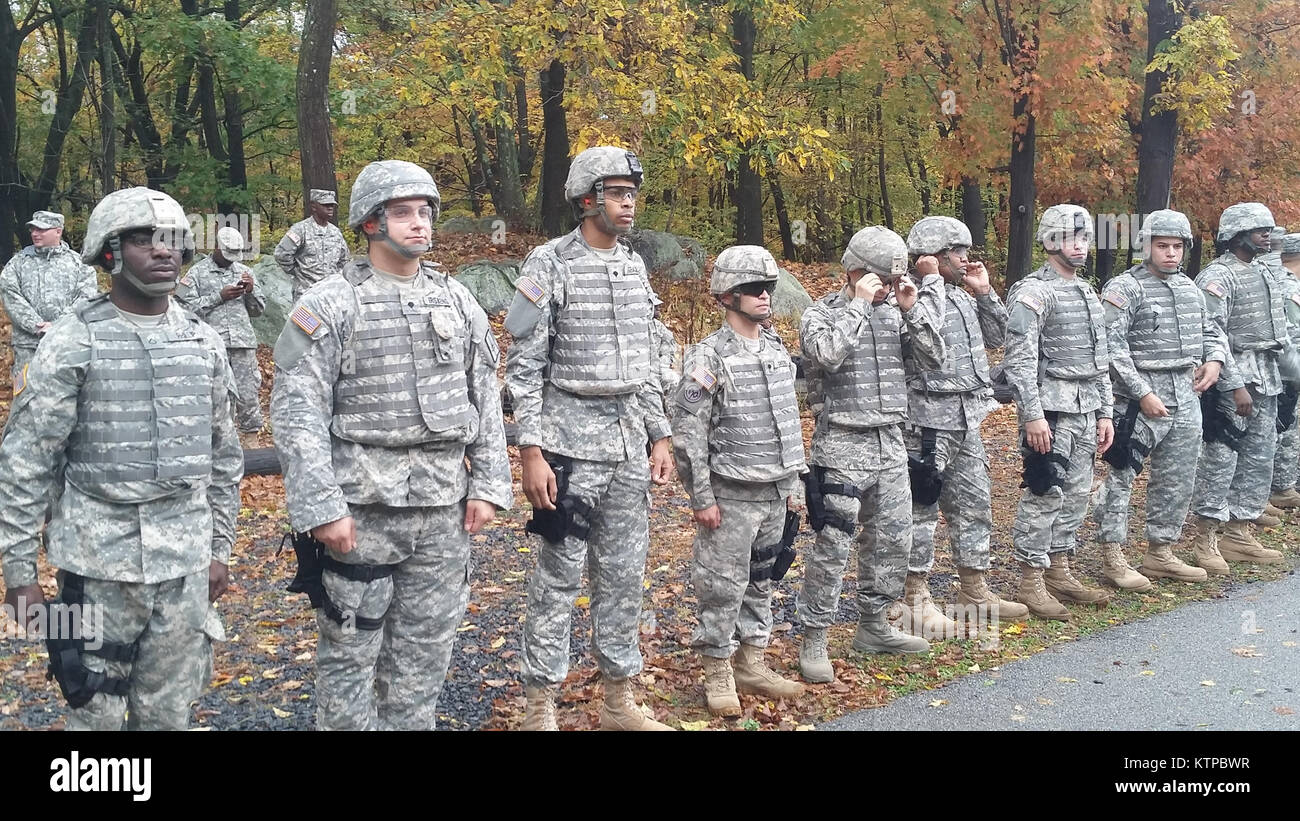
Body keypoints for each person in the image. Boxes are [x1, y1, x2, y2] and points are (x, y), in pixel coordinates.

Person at [271, 160, 512, 730]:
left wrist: (489, 486)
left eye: (426, 212)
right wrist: (322, 508)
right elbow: (296, 411)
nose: (420, 224)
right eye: (403, 213)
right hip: (362, 511)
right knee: (350, 655)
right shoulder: (330, 303)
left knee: (424, 653)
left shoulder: (457, 299)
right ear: (370, 224)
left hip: (442, 509)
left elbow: (486, 394)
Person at [0, 187, 243, 729]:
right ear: (109, 253)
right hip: (96, 568)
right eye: (143, 240)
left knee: (168, 715)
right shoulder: (71, 341)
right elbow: (26, 462)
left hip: (185, 570)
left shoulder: (203, 342)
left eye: (174, 242)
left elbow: (224, 459)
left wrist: (219, 549)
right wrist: (19, 573)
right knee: (96, 717)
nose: (163, 252)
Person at [505, 145, 674, 731]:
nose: (629, 204)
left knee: (625, 575)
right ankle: (539, 702)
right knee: (558, 575)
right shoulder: (547, 263)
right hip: (568, 448)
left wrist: (660, 435)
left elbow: (648, 363)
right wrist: (530, 450)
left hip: (629, 443)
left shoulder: (634, 266)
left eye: (633, 193)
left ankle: (619, 697)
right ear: (586, 199)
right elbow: (524, 366)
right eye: (617, 193)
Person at [796, 225, 943, 684]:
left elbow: (935, 359)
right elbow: (827, 356)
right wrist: (860, 304)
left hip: (890, 441)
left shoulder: (895, 313)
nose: (887, 288)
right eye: (881, 279)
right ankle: (814, 637)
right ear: (857, 272)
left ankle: (874, 626)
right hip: (842, 442)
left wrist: (912, 309)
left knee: (892, 541)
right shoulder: (822, 314)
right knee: (833, 545)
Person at [672, 245, 807, 715]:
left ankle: (753, 661)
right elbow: (689, 434)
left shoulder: (774, 348)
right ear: (727, 297)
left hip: (774, 489)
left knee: (763, 577)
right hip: (730, 494)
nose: (764, 295)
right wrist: (701, 497)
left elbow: (788, 419)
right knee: (722, 584)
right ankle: (717, 669)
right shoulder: (707, 357)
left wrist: (794, 485)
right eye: (753, 288)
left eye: (768, 287)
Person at [899, 215, 1027, 631]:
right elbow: (924, 342)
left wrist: (986, 292)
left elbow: (1001, 336)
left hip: (967, 417)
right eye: (957, 252)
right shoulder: (908, 295)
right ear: (931, 258)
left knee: (974, 503)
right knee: (923, 508)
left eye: (965, 251)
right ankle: (915, 595)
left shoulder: (960, 295)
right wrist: (930, 282)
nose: (965, 259)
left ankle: (975, 586)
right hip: (928, 420)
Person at [1091, 209, 1223, 586]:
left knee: (1178, 475)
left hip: (1185, 392)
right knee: (1121, 474)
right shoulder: (1123, 289)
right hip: (1137, 400)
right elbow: (1111, 348)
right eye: (1162, 245)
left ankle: (1161, 551)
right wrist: (1142, 392)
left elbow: (1213, 330)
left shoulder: (1190, 289)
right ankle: (1112, 553)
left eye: (1177, 246)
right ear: (1145, 246)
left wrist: (1213, 360)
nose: (1170, 253)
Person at [1003, 204, 1114, 620]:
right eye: (1071, 238)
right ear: (1049, 242)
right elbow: (1019, 360)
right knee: (1044, 491)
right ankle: (1031, 579)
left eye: (1085, 238)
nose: (1080, 246)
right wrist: (1031, 415)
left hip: (1086, 409)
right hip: (1050, 410)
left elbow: (1099, 358)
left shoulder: (1087, 292)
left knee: (1076, 496)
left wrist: (1104, 412)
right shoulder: (1033, 292)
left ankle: (1060, 569)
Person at [1188, 203, 1289, 567]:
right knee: (1222, 457)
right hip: (1233, 378)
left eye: (1269, 228)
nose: (1267, 234)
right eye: (1259, 229)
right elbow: (1210, 333)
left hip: (1266, 373)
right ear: (1236, 234)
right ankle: (1206, 537)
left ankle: (1239, 530)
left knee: (1260, 455)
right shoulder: (1217, 277)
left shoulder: (1262, 270)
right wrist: (1233, 384)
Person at [176, 226, 266, 434]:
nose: (230, 259)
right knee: (215, 396)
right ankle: (218, 442)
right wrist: (219, 297)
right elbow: (181, 309)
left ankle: (251, 445)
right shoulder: (196, 273)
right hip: (211, 346)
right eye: (227, 253)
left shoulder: (245, 272)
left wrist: (251, 292)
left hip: (242, 344)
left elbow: (258, 310)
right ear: (216, 246)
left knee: (248, 394)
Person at [1, 210, 99, 385]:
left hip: (67, 345)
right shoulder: (18, 263)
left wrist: (57, 326)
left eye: (41, 229)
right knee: (26, 400)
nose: (35, 234)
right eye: (33, 229)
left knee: (64, 397)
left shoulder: (79, 265)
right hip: (28, 347)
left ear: (58, 231)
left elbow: (86, 299)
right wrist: (36, 325)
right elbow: (10, 295)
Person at [273, 188, 350, 300]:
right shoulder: (300, 230)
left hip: (331, 296)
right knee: (304, 319)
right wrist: (297, 272)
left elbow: (344, 260)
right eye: (325, 205)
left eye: (332, 205)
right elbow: (281, 254)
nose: (330, 208)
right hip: (306, 294)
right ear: (314, 206)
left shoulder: (336, 232)